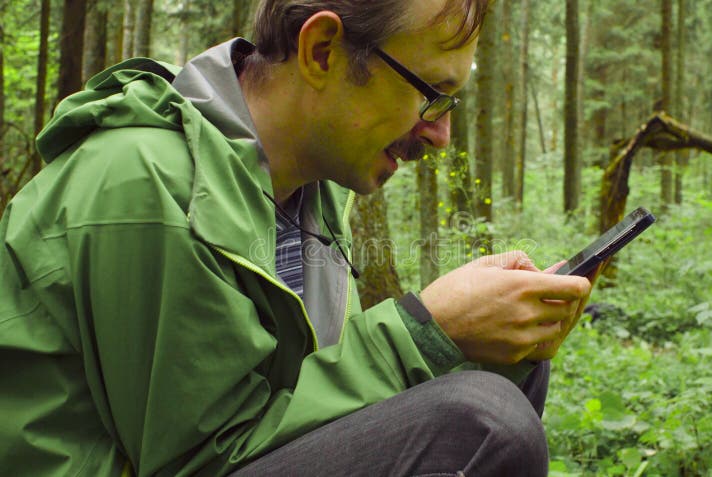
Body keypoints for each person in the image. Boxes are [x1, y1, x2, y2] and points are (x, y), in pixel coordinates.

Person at [0, 0, 595, 475]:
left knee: (501, 365)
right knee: (484, 421)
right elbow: (200, 460)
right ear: (322, 50)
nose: (440, 134)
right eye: (429, 95)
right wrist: (421, 334)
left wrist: (473, 338)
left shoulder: (310, 190)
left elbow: (297, 405)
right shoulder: (145, 182)